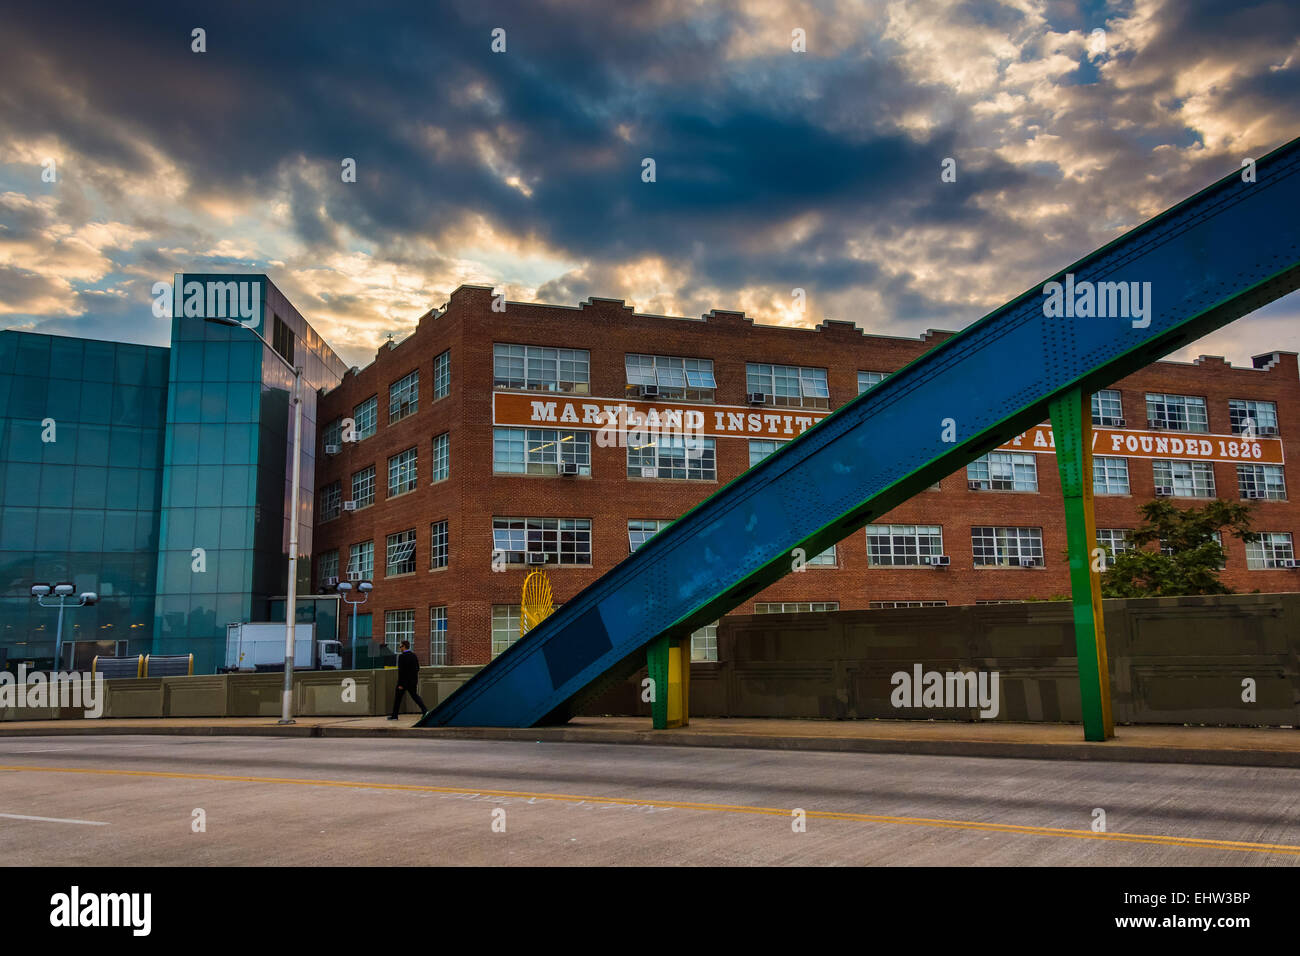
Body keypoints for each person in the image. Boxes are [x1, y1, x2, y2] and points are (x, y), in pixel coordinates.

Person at [388, 641, 428, 719]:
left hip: (403, 683)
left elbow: (401, 671)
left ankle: (395, 715)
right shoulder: (414, 656)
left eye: (400, 646)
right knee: (415, 696)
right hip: (412, 682)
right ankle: (425, 710)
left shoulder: (402, 657)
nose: (400, 648)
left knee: (398, 699)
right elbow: (417, 669)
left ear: (404, 646)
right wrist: (413, 679)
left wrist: (400, 684)